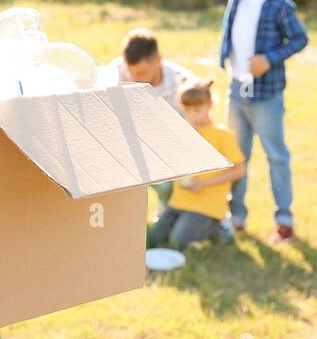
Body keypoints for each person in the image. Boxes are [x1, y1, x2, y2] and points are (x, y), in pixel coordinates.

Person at [213, 0, 308, 245]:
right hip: (236, 91)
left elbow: (299, 39)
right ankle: (235, 216)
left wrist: (269, 59)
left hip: (266, 95)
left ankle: (284, 219)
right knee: (237, 156)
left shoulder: (280, 6)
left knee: (276, 154)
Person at [147, 78, 245, 250]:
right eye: (187, 110)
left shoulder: (222, 135)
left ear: (209, 105)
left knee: (177, 241)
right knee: (155, 237)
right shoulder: (184, 133)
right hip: (180, 200)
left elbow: (239, 170)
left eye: (197, 110)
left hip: (207, 204)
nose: (192, 115)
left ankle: (218, 226)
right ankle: (192, 228)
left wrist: (204, 184)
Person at [103, 28, 190, 211]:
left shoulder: (181, 83)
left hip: (167, 148)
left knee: (167, 186)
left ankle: (167, 214)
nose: (135, 78)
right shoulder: (115, 72)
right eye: (132, 72)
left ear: (158, 60)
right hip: (125, 145)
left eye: (142, 73)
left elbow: (191, 130)